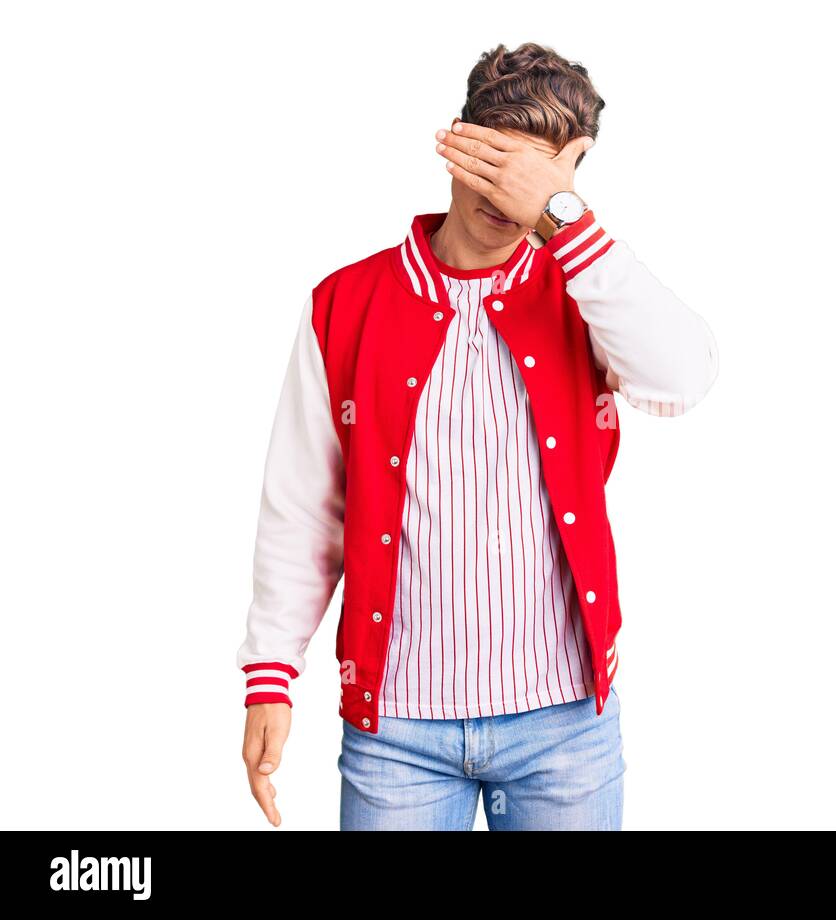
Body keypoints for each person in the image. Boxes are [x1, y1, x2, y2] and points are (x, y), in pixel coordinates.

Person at [236, 42, 718, 830]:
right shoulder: (344, 305)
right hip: (396, 729)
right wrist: (269, 674)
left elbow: (684, 380)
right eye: (495, 161)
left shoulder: (586, 290)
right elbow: (302, 510)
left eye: (537, 177)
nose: (509, 196)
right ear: (457, 142)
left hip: (565, 726)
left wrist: (565, 217)